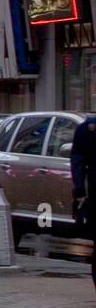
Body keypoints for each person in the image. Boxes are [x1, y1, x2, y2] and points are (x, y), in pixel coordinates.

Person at [68, 113, 96, 289]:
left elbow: (77, 160)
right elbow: (77, 160)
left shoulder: (88, 127)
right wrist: (80, 191)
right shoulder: (88, 128)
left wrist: (79, 190)